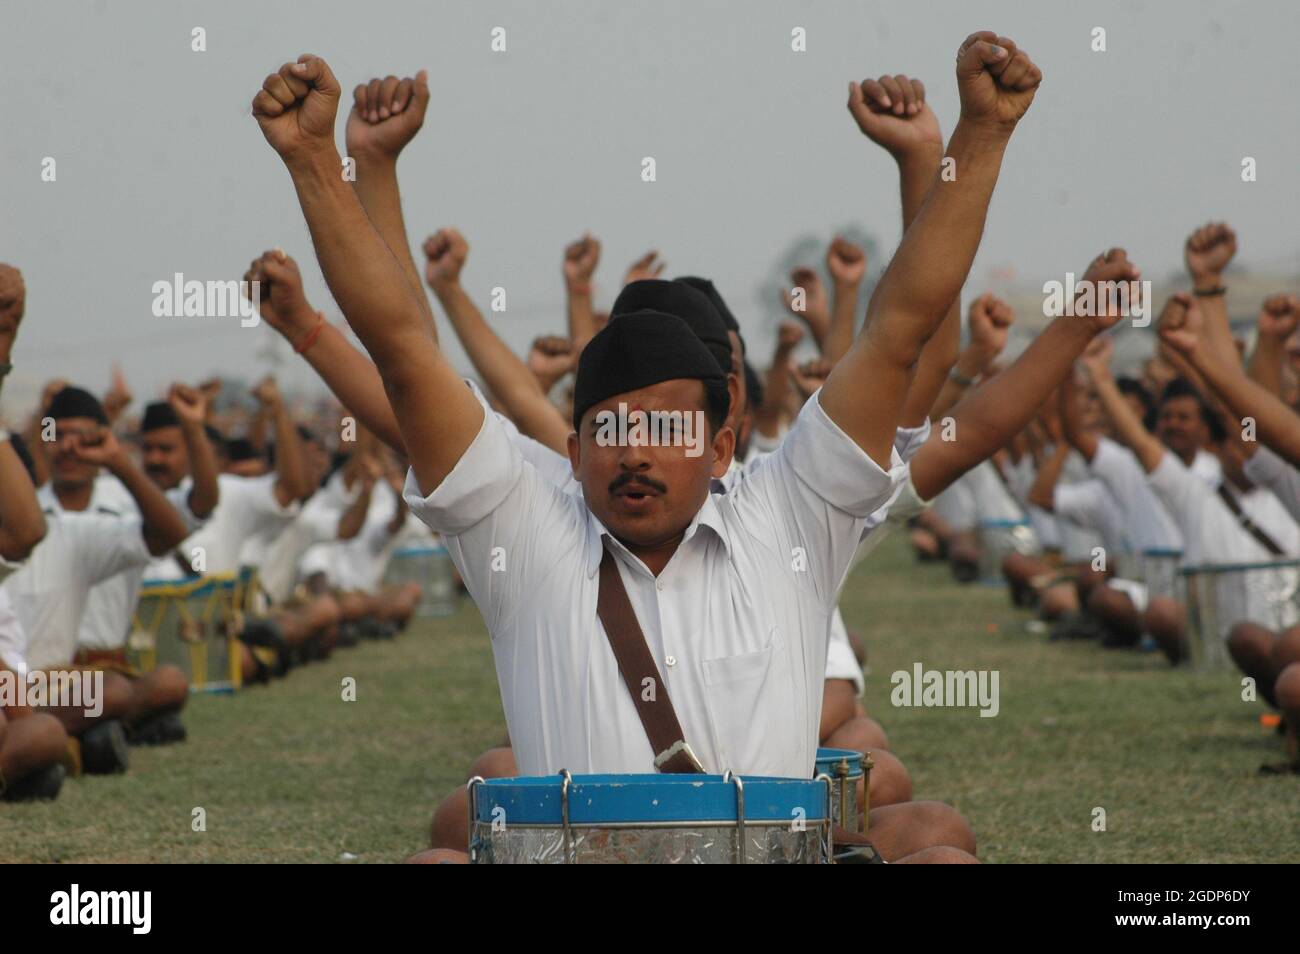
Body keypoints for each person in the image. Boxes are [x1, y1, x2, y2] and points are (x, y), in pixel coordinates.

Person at [251, 32, 1049, 861]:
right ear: (571, 447)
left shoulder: (792, 514)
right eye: (611, 430)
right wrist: (315, 162)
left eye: (666, 429)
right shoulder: (521, 530)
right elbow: (405, 355)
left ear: (720, 446)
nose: (634, 453)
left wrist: (980, 135)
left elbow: (903, 331)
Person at [2, 386, 190, 773]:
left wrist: (119, 462)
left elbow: (171, 535)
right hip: (12, 694)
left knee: (122, 689)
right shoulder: (31, 518)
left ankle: (56, 742)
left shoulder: (68, 531)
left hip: (50, 687)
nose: (69, 447)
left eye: (82, 437)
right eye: (59, 435)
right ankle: (69, 745)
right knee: (52, 726)